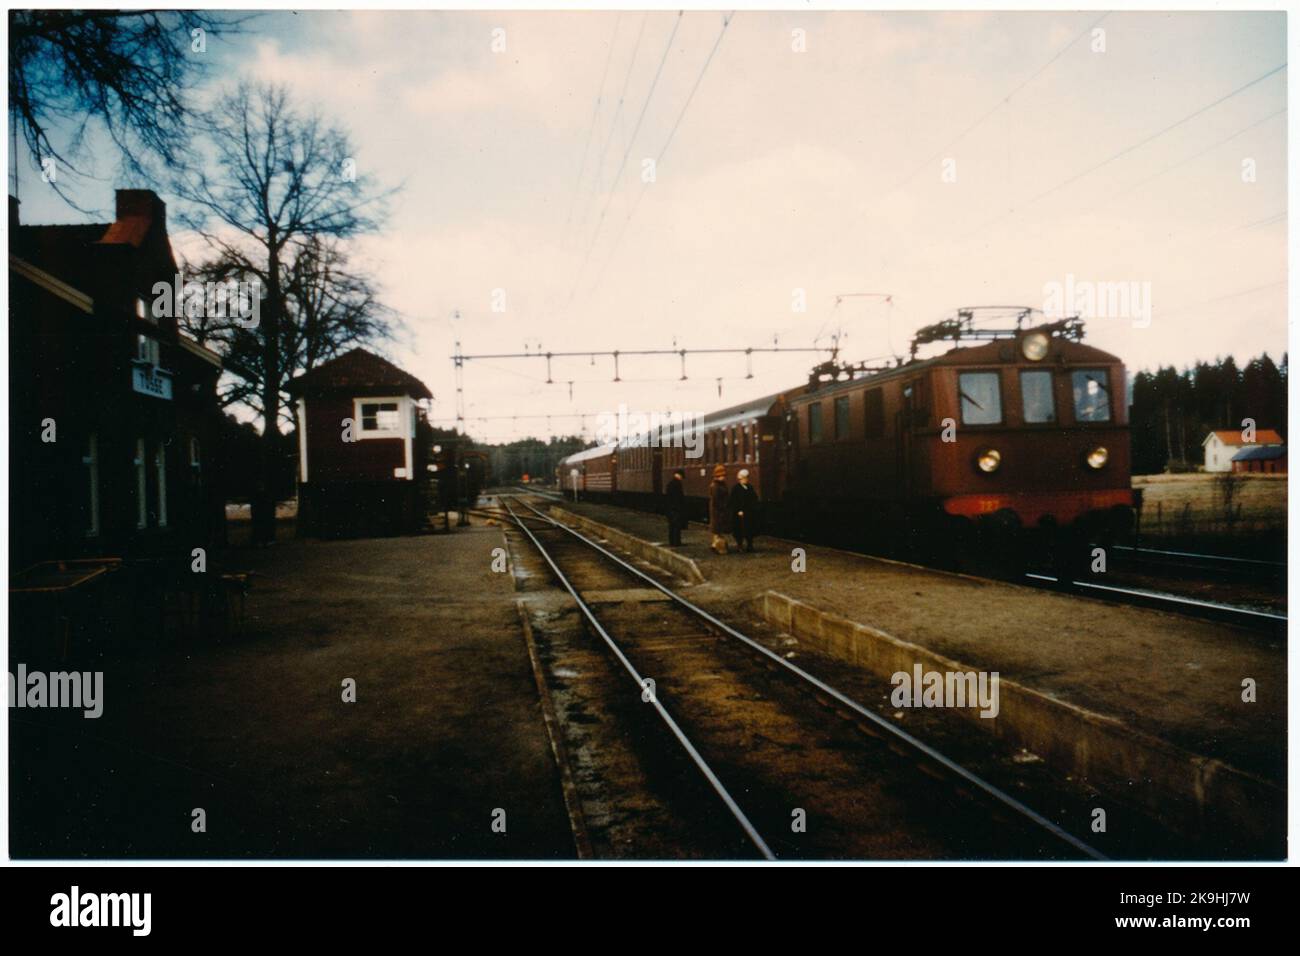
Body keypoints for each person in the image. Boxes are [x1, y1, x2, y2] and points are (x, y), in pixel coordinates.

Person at [729, 468, 760, 552]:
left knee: (749, 530)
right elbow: (733, 501)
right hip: (739, 513)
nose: (745, 479)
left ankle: (750, 545)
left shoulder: (750, 487)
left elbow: (754, 498)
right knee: (739, 531)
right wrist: (738, 510)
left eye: (746, 478)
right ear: (740, 479)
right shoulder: (736, 489)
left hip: (749, 513)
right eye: (743, 478)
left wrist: (754, 508)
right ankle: (740, 545)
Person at [707, 464, 730, 554]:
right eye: (721, 476)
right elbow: (717, 500)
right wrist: (723, 508)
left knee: (717, 530)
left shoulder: (718, 485)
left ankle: (714, 545)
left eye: (723, 475)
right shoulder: (716, 486)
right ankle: (718, 547)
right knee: (718, 530)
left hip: (718, 511)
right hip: (718, 511)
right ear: (717, 476)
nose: (723, 477)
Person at [664, 469, 686, 546]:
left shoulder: (670, 484)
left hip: (670, 508)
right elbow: (679, 498)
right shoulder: (677, 484)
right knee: (676, 526)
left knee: (671, 526)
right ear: (679, 475)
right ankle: (676, 542)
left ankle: (672, 541)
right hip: (676, 509)